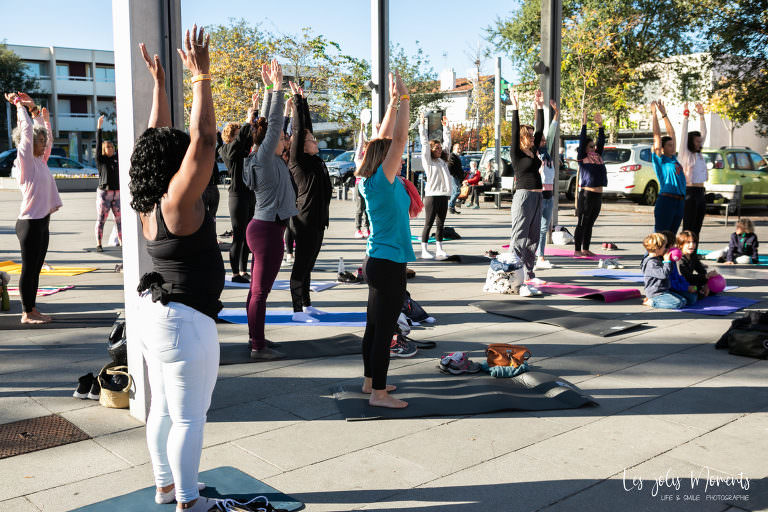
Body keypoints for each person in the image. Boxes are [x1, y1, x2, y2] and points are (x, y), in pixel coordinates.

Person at [132, 28, 223, 512]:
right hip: (185, 320)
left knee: (164, 410)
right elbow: (204, 139)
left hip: (156, 315)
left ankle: (167, 487)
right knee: (190, 417)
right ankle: (189, 500)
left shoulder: (150, 199)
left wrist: (160, 89)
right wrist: (201, 78)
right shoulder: (179, 202)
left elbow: (156, 140)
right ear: (175, 163)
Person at [356, 71, 412, 408]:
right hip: (388, 263)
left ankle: (369, 383)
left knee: (374, 326)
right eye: (395, 156)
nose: (400, 157)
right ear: (385, 159)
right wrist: (404, 100)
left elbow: (383, 139)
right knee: (384, 330)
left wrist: (392, 105)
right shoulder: (380, 181)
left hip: (378, 260)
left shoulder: (367, 179)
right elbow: (399, 139)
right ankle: (378, 393)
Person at [243, 59, 297, 360]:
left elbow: (264, 124)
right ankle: (257, 346)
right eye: (282, 137)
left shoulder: (265, 156)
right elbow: (273, 124)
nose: (285, 138)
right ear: (271, 141)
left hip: (265, 227)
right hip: (266, 231)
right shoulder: (263, 158)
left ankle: (257, 338)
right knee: (259, 293)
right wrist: (276, 89)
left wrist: (267, 91)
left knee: (255, 291)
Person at [5, 92, 61, 324]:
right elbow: (28, 133)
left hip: (42, 221)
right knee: (29, 269)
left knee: (36, 268)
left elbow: (43, 135)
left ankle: (32, 309)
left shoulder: (40, 161)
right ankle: (26, 313)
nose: (43, 143)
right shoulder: (26, 162)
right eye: (39, 141)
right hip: (29, 223)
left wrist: (39, 114)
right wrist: (20, 106)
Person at [287, 81, 333, 323]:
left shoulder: (315, 160)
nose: (316, 141)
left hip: (318, 221)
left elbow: (306, 128)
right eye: (312, 140)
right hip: (303, 220)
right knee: (300, 266)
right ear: (302, 147)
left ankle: (306, 304)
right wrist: (296, 102)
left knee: (309, 265)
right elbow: (299, 131)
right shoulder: (299, 162)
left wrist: (304, 102)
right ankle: (297, 310)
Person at [218, 93, 259, 283]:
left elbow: (250, 136)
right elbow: (241, 139)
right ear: (231, 137)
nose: (242, 138)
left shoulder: (243, 150)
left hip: (249, 194)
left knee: (248, 235)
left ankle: (243, 270)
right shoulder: (226, 151)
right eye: (237, 135)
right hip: (237, 196)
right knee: (239, 235)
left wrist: (255, 109)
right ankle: (235, 273)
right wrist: (247, 120)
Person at [508, 90, 545, 296]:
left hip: (537, 195)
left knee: (533, 236)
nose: (533, 137)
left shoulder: (534, 151)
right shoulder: (516, 152)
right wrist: (516, 107)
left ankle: (529, 271)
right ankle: (516, 273)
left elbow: (540, 128)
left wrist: (538, 106)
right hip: (523, 196)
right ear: (522, 137)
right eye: (529, 135)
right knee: (520, 235)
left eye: (533, 135)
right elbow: (514, 131)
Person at [418, 113, 452, 260]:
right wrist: (422, 125)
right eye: (436, 148)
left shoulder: (442, 161)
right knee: (428, 223)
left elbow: (448, 144)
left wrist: (446, 129)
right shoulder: (428, 161)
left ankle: (439, 249)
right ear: (431, 150)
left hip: (443, 195)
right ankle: (424, 250)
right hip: (431, 195)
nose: (439, 150)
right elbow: (425, 143)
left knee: (440, 224)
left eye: (440, 148)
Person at [574, 109, 606, 257]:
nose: (594, 148)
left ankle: (586, 248)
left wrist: (601, 126)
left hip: (598, 196)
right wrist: (584, 124)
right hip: (586, 194)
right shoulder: (583, 157)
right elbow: (581, 141)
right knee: (582, 222)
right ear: (585, 148)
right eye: (591, 146)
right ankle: (577, 250)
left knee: (590, 223)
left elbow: (601, 142)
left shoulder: (598, 156)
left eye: (594, 146)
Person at [651, 100, 685, 234]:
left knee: (671, 238)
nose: (673, 146)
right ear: (663, 148)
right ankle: (650, 256)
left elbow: (672, 134)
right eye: (669, 145)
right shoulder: (661, 160)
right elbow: (657, 137)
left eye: (672, 145)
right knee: (660, 237)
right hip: (666, 200)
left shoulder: (674, 159)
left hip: (680, 202)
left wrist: (664, 114)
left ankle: (666, 256)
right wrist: (654, 114)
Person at [535, 99, 560, 270]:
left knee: (544, 228)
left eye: (545, 140)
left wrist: (556, 113)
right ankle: (530, 256)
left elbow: (551, 132)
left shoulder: (547, 154)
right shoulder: (535, 154)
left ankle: (541, 257)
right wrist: (538, 107)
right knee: (534, 227)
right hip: (537, 193)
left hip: (549, 195)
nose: (544, 141)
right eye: (541, 140)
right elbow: (540, 130)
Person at [680, 102, 708, 239]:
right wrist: (686, 116)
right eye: (697, 141)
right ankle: (685, 257)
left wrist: (702, 116)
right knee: (688, 227)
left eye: (700, 141)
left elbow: (704, 133)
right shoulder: (686, 154)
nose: (699, 143)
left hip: (701, 192)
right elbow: (684, 135)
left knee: (697, 227)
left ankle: (694, 257)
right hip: (689, 192)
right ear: (691, 142)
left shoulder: (699, 154)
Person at [94, 114, 121, 251]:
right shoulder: (101, 160)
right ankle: (99, 244)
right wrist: (99, 128)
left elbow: (120, 141)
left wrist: (119, 126)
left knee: (119, 220)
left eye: (112, 147)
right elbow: (98, 145)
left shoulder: (117, 159)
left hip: (117, 193)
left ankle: (122, 243)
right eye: (108, 147)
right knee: (101, 219)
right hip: (104, 193)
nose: (110, 149)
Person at [641, 233, 689, 309]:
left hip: (664, 291)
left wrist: (671, 260)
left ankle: (657, 301)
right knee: (677, 304)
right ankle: (652, 302)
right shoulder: (651, 263)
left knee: (684, 301)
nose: (666, 249)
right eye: (664, 246)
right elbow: (663, 274)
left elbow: (670, 270)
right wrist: (667, 261)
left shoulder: (658, 258)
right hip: (655, 293)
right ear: (657, 248)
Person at [677, 230, 719, 298]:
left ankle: (700, 290)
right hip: (683, 285)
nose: (692, 245)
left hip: (692, 283)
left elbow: (702, 271)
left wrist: (707, 283)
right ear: (681, 245)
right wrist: (706, 276)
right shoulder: (679, 259)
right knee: (694, 295)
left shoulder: (692, 256)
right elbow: (687, 277)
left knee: (714, 288)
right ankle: (698, 291)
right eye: (688, 242)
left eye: (694, 242)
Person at [661, 230, 697, 305]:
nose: (675, 247)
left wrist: (687, 286)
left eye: (694, 242)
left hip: (677, 287)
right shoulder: (666, 260)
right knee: (684, 301)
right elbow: (670, 282)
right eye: (673, 245)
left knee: (693, 297)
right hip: (667, 290)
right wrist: (686, 288)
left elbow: (678, 276)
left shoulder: (673, 259)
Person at [352, 120, 370, 238]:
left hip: (368, 184)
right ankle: (357, 229)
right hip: (360, 184)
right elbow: (360, 145)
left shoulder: (370, 159)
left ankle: (367, 228)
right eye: (365, 147)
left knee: (368, 208)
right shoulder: (358, 158)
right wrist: (362, 130)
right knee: (360, 208)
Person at [448, 142, 464, 214]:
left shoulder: (456, 156)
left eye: (460, 148)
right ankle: (450, 206)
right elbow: (449, 167)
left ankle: (452, 207)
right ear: (454, 149)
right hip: (454, 176)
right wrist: (454, 174)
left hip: (456, 176)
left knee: (455, 192)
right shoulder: (452, 156)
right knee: (457, 191)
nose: (460, 150)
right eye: (458, 148)